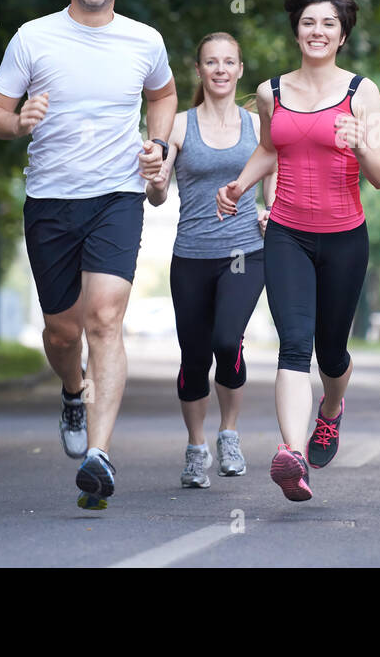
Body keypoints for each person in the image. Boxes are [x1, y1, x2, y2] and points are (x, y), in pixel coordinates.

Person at [0, 0, 176, 510]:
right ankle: (72, 389)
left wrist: (160, 146)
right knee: (63, 330)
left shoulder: (145, 40)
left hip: (117, 195)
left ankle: (100, 454)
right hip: (50, 200)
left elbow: (164, 95)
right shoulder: (33, 38)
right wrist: (18, 123)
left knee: (106, 317)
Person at [216, 0, 380, 502]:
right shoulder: (272, 92)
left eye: (328, 24)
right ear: (297, 30)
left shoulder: (363, 92)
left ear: (342, 36)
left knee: (331, 352)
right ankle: (292, 454)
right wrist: (240, 185)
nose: (317, 31)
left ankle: (330, 411)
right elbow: (271, 150)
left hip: (344, 237)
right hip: (287, 232)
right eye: (309, 22)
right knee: (294, 344)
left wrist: (361, 145)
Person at [146, 32, 275, 488]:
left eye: (228, 62)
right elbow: (157, 196)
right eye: (211, 62)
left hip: (244, 251)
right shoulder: (179, 125)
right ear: (198, 71)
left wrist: (270, 211)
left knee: (227, 339)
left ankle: (230, 434)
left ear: (240, 69)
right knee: (195, 355)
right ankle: (197, 446)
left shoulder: (258, 126)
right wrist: (158, 181)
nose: (220, 69)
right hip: (192, 255)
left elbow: (273, 175)